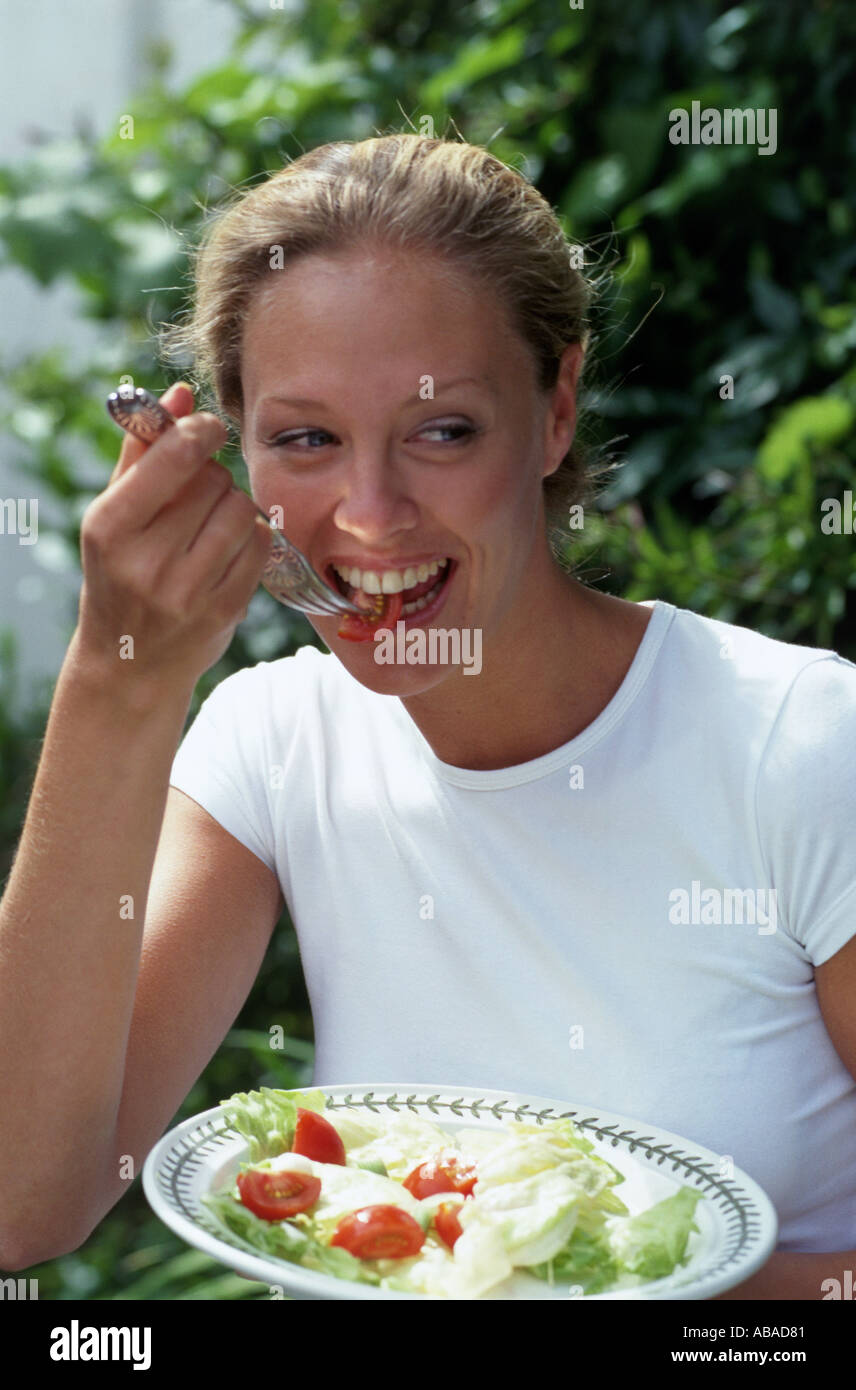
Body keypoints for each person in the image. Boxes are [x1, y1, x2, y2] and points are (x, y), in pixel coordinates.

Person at [0, 135, 854, 1300]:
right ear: (233, 454)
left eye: (441, 429)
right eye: (305, 439)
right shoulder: (272, 743)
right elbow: (23, 1201)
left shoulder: (798, 741)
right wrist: (119, 679)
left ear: (554, 411)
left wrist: (575, 1292)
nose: (369, 515)